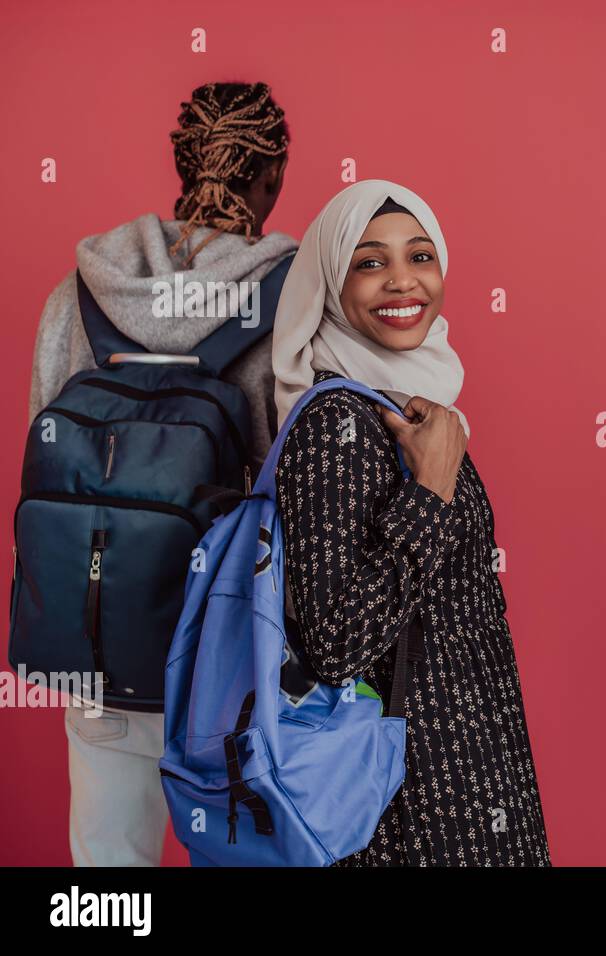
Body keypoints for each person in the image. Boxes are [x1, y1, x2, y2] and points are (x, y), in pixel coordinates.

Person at [26, 81, 295, 866]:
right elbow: (303, 481)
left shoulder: (79, 290)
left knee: (111, 887)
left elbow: (51, 450)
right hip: (231, 651)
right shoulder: (291, 295)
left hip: (99, 642)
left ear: (180, 164)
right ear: (272, 178)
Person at [270, 180, 550, 866]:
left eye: (420, 256)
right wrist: (428, 492)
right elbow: (335, 645)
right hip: (411, 799)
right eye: (369, 262)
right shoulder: (333, 425)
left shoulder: (411, 408)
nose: (402, 280)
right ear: (332, 284)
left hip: (477, 769)